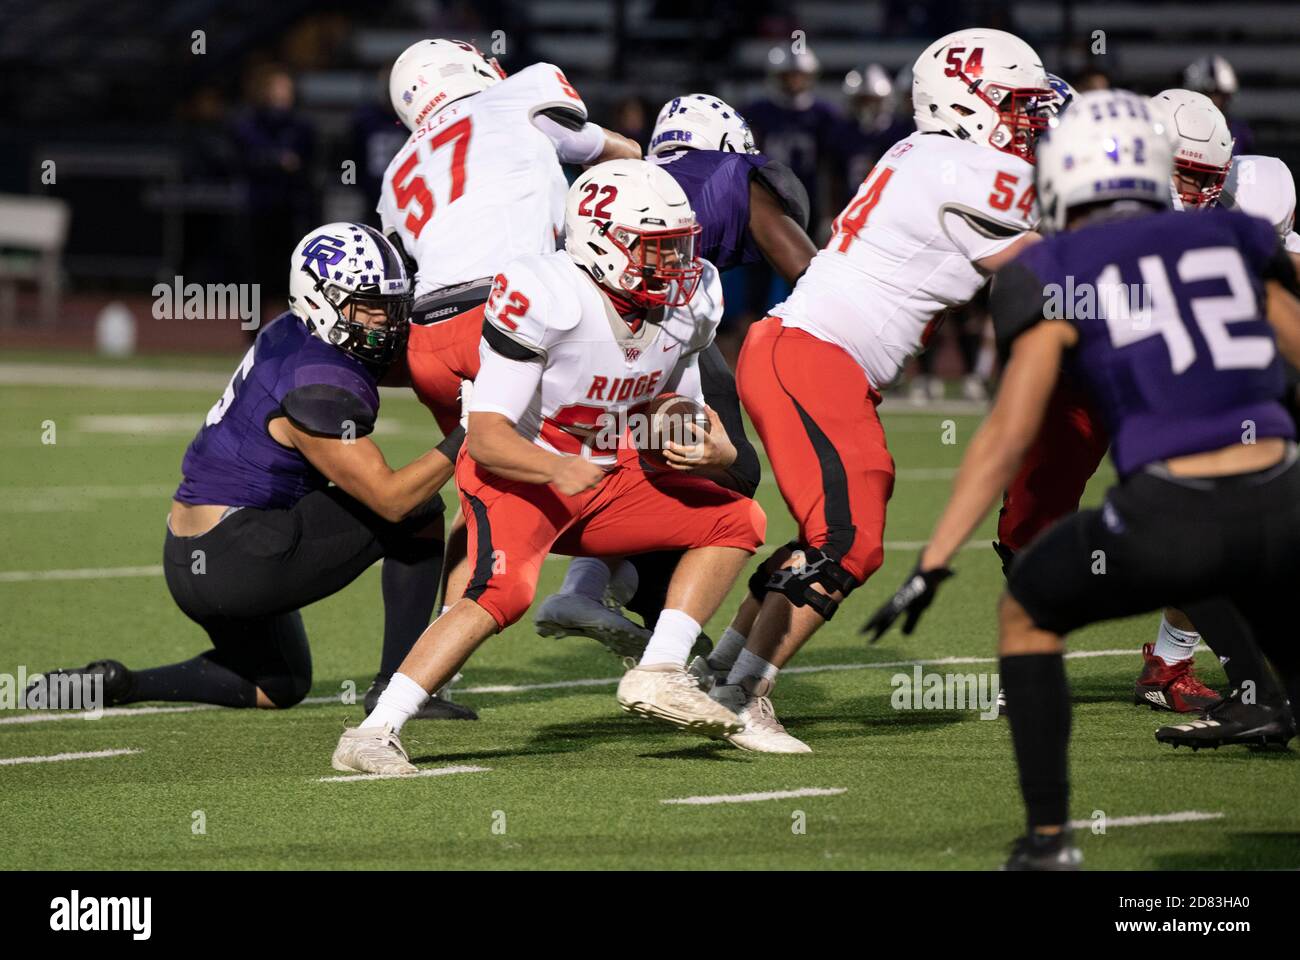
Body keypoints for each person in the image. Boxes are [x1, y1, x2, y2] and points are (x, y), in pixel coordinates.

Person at [863, 89, 1300, 868]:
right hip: (1277, 482)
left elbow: (1000, 431)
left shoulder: (1060, 262)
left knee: (1040, 603)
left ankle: (1049, 842)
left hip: (1177, 493)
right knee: (1053, 527)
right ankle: (1247, 688)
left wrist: (931, 562)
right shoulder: (1239, 238)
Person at [330, 161, 767, 776]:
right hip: (522, 466)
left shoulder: (688, 299)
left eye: (677, 246)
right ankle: (373, 732)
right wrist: (554, 470)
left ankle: (661, 672)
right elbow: (484, 438)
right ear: (597, 242)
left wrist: (710, 448)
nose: (673, 265)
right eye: (654, 247)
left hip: (605, 465)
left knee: (737, 518)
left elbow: (670, 403)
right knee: (503, 593)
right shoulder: (546, 294)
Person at [693, 28, 1050, 753]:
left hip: (817, 357)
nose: (1025, 122)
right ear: (966, 101)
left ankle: (720, 673)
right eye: (1014, 105)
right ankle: (746, 700)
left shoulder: (927, 154)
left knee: (845, 518)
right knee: (849, 541)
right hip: (812, 356)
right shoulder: (959, 164)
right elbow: (1045, 264)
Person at [31, 224, 470, 719]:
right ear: (322, 300)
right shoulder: (318, 386)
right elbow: (393, 499)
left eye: (391, 306)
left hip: (186, 557)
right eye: (367, 305)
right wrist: (473, 431)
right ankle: (402, 687)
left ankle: (121, 684)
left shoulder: (289, 331)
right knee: (418, 513)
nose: (384, 321)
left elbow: (394, 362)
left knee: (278, 684)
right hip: (240, 555)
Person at [533, 93, 817, 660]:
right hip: (657, 330)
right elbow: (809, 273)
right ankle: (654, 623)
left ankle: (589, 588)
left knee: (631, 465)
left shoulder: (620, 177)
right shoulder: (735, 175)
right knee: (733, 471)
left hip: (568, 338)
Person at [376, 38, 640, 630]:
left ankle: (425, 658)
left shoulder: (396, 172)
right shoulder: (524, 90)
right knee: (646, 422)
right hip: (512, 313)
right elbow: (614, 156)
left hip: (431, 341)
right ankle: (596, 579)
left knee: (483, 494)